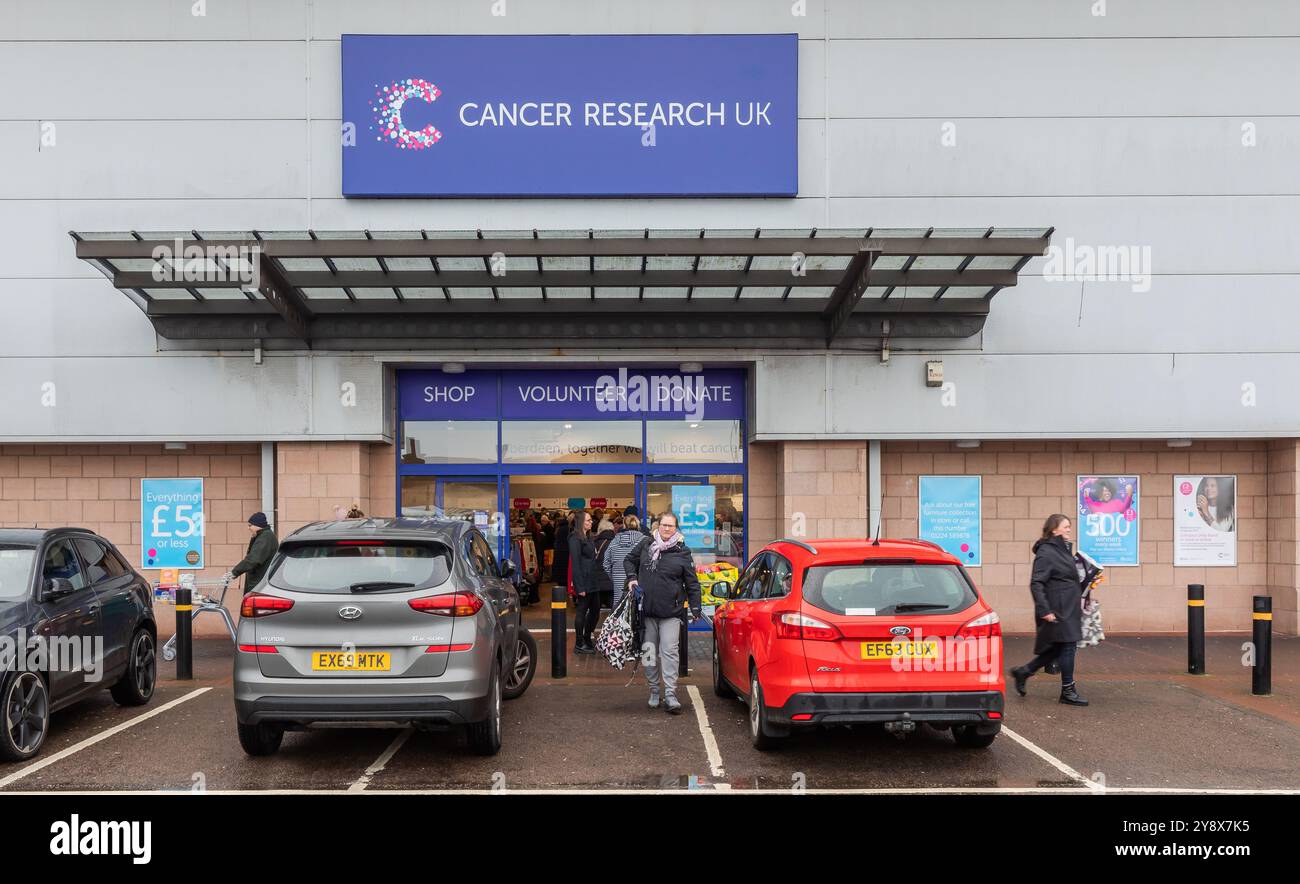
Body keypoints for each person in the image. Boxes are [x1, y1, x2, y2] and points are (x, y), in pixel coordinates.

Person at [625, 512, 701, 715]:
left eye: (671, 526)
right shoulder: (646, 545)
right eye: (664, 525)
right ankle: (653, 690)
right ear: (658, 526)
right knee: (649, 653)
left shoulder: (682, 552)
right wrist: (632, 578)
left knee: (669, 652)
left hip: (671, 612)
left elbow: (692, 583)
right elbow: (628, 561)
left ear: (676, 528)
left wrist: (696, 608)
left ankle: (670, 694)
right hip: (647, 612)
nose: (667, 529)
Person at [1010, 514, 1089, 706]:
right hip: (1058, 607)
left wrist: (1088, 580)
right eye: (1066, 526)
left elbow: (1067, 578)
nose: (1069, 529)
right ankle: (1068, 691)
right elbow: (1036, 583)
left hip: (1068, 606)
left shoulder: (1063, 550)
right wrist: (1045, 609)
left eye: (1070, 526)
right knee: (1068, 645)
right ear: (1054, 529)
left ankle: (1024, 672)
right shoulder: (1046, 552)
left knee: (1058, 647)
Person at [225, 512, 279, 595]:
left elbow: (253, 559)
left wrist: (234, 572)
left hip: (259, 583)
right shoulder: (263, 536)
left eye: (250, 525)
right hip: (260, 582)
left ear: (258, 525)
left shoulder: (265, 537)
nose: (248, 528)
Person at [568, 509, 598, 653]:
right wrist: (579, 586)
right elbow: (576, 563)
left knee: (595, 610)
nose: (591, 522)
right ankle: (579, 643)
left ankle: (587, 637)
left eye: (591, 520)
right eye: (588, 520)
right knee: (582, 610)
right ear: (580, 522)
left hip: (593, 580)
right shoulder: (575, 538)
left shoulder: (589, 537)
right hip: (584, 581)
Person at [603, 514, 645, 610]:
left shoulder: (614, 541)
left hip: (619, 584)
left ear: (624, 525)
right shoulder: (643, 540)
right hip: (638, 583)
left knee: (619, 612)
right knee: (638, 611)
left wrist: (614, 577)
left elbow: (606, 564)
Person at [593, 517, 616, 611]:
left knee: (595, 611)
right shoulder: (615, 543)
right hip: (611, 582)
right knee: (613, 610)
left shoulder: (594, 543)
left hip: (597, 581)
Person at [551, 510, 571, 591]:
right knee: (564, 573)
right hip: (566, 553)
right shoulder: (568, 529)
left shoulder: (559, 529)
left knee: (560, 574)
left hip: (559, 553)